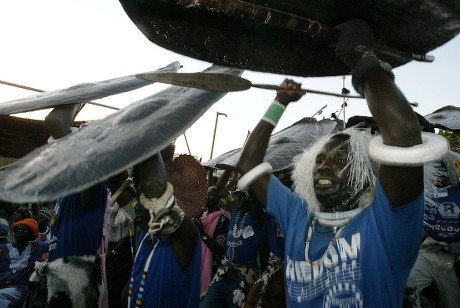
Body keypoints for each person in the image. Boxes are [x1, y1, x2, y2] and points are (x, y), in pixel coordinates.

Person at [234, 19, 444, 307]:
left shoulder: (388, 223)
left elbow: (403, 132)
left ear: (365, 174)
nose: (323, 166)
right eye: (319, 160)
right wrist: (279, 102)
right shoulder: (298, 216)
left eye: (341, 158)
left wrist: (359, 55)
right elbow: (247, 165)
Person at [125, 151, 203, 307]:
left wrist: (149, 138)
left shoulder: (187, 236)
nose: (137, 207)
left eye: (147, 202)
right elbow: (118, 187)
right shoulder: (146, 231)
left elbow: (153, 187)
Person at [404, 151, 460, 307]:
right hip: (429, 251)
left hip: (453, 258)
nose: (438, 172)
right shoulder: (424, 193)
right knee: (406, 286)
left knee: (452, 302)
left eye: (441, 167)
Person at [201, 189, 268, 308]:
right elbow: (220, 190)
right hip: (224, 271)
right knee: (206, 304)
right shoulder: (235, 211)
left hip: (244, 276)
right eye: (237, 195)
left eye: (242, 195)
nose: (238, 199)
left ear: (250, 196)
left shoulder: (259, 214)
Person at [0, 218, 48, 307]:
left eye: (23, 230)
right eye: (17, 230)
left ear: (31, 235)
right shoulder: (4, 248)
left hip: (19, 289)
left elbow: (55, 246)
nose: (18, 232)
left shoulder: (38, 247)